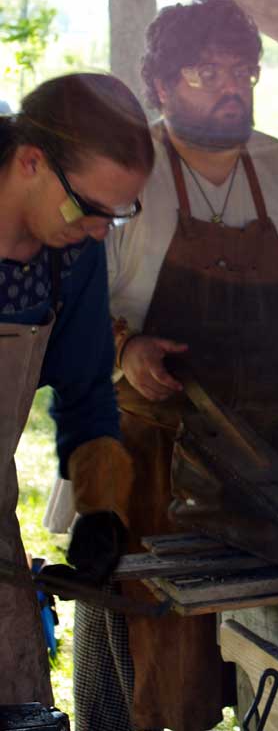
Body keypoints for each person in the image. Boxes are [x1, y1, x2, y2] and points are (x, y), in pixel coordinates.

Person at [85, 0, 278, 731]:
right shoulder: (126, 180)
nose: (228, 88)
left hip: (277, 462)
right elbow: (72, 306)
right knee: (166, 668)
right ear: (159, 87)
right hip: (156, 461)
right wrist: (126, 348)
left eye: (241, 72)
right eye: (203, 73)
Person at [0, 72, 154, 709]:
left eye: (118, 215)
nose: (101, 231)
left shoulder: (70, 256)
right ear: (31, 162)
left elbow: (88, 386)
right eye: (92, 209)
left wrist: (99, 507)